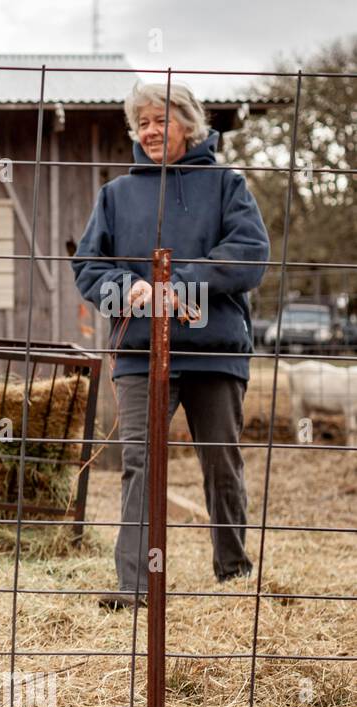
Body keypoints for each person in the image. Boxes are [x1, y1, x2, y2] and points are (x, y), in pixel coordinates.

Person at [72, 82, 270, 610]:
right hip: (139, 351)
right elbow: (89, 265)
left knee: (220, 461)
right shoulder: (115, 195)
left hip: (214, 350)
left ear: (189, 123)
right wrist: (126, 290)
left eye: (161, 119)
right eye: (142, 122)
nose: (151, 130)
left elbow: (250, 253)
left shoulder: (228, 185)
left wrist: (177, 284)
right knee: (140, 459)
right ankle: (134, 588)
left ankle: (233, 572)